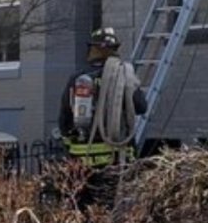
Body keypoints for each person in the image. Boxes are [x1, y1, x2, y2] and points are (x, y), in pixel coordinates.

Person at [58, 27, 148, 167]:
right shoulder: (125, 76)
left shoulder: (77, 79)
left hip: (83, 159)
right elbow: (141, 107)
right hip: (117, 158)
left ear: (93, 49)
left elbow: (64, 119)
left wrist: (69, 144)